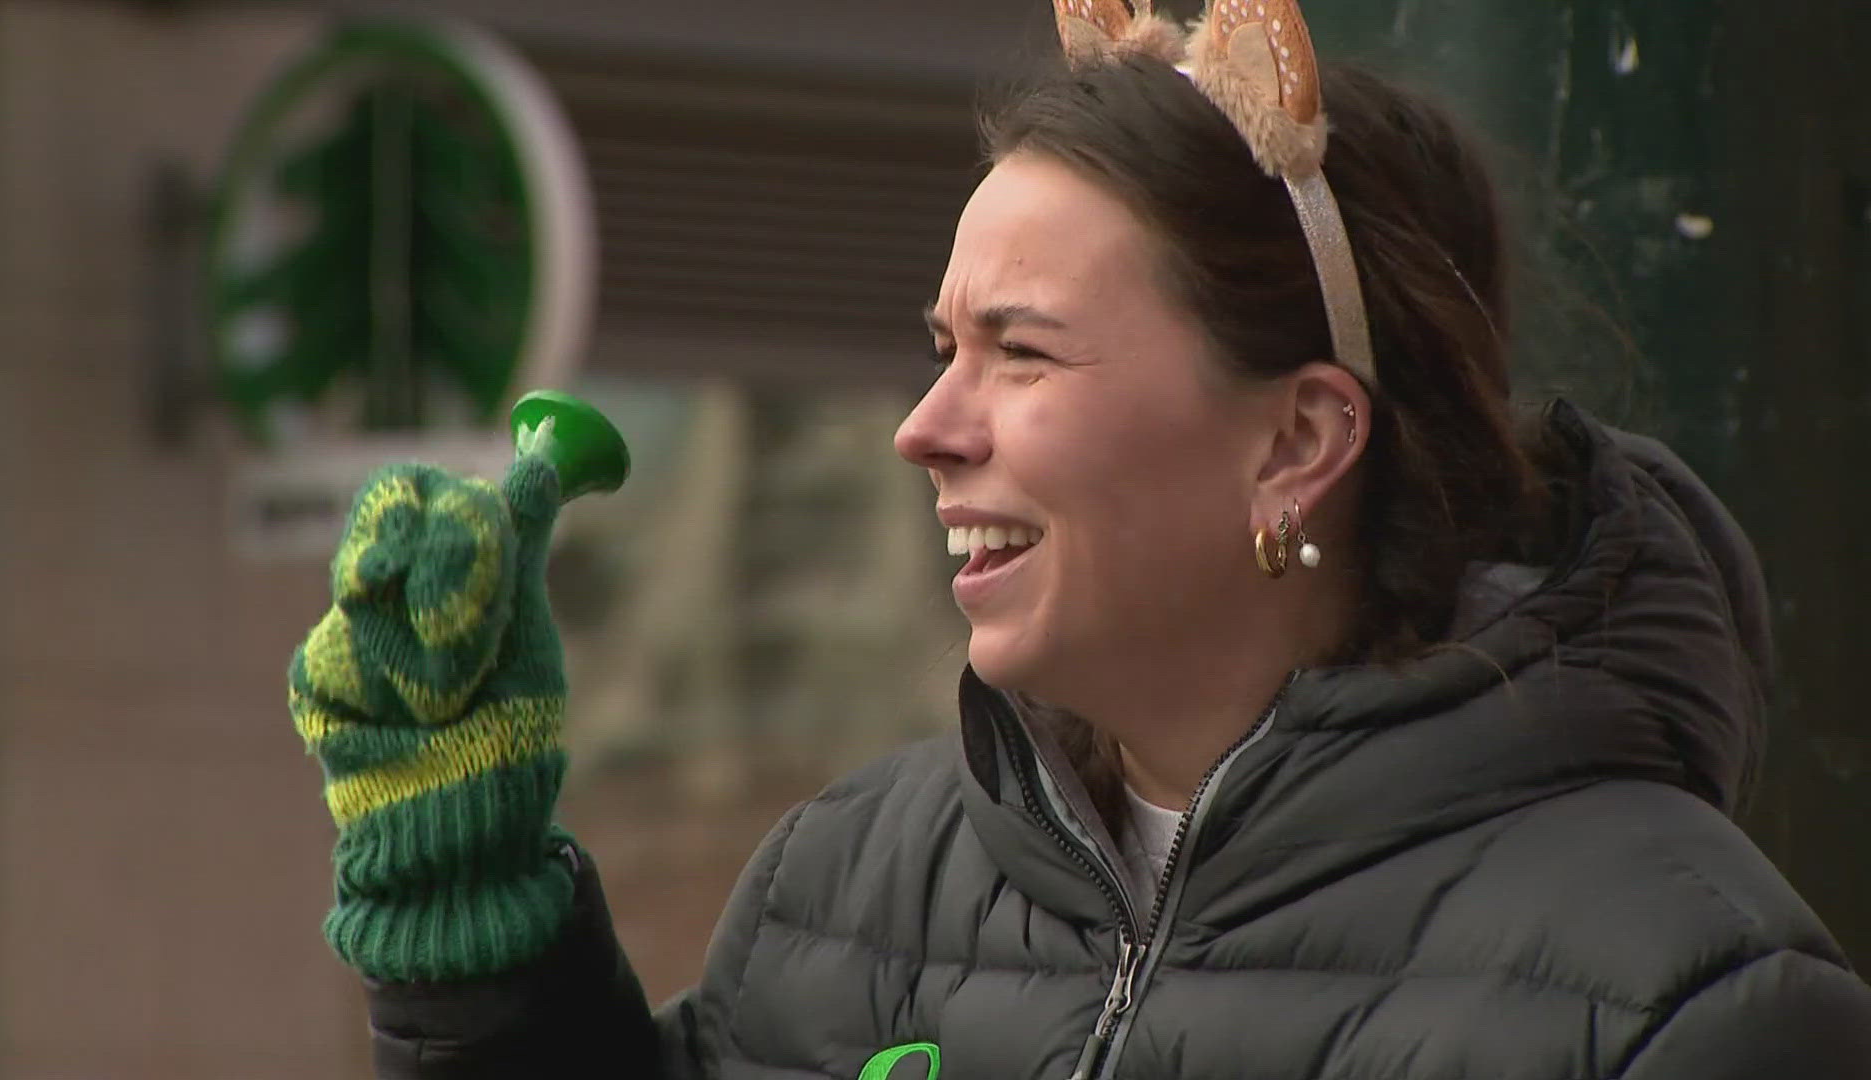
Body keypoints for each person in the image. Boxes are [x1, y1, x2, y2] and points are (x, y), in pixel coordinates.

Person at [288, 2, 1871, 1077]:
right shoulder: (849, 884)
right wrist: (470, 924)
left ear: (1299, 441)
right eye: (942, 346)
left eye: (1022, 353)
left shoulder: (1685, 1003)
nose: (926, 426)